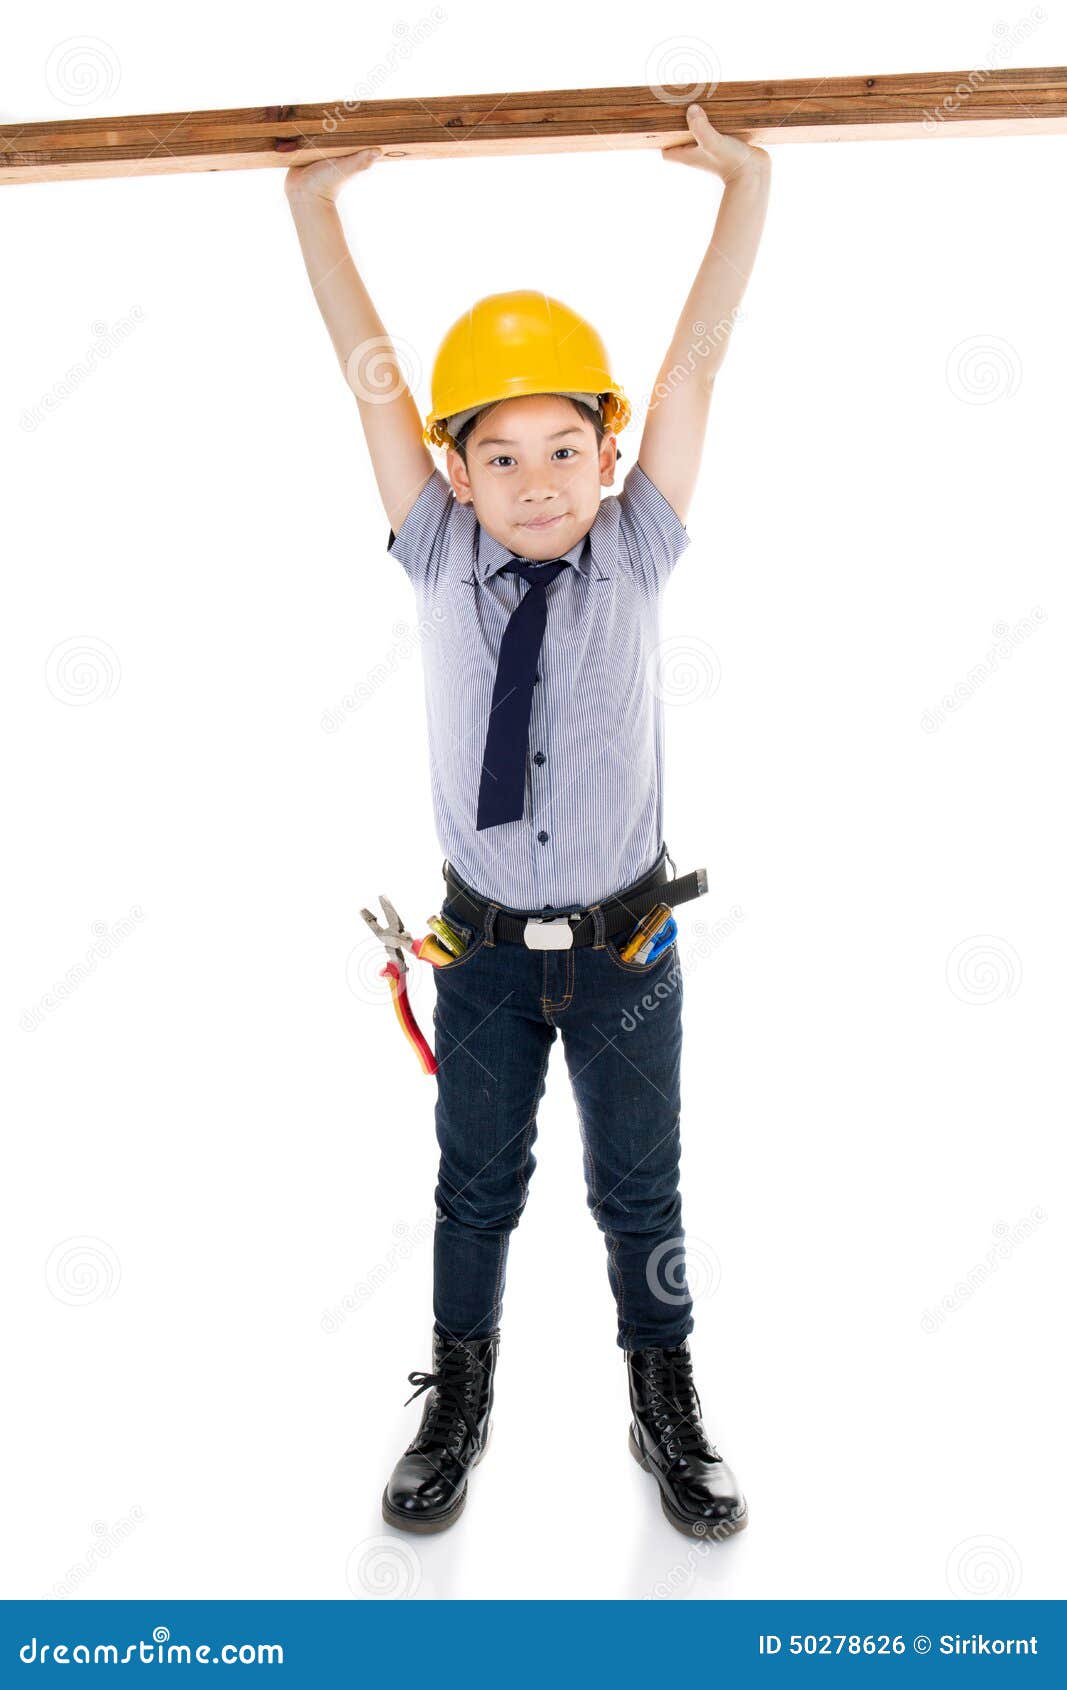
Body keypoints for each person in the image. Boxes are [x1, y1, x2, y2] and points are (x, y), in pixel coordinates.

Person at [285, 104, 772, 1539]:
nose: (539, 479)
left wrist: (746, 189)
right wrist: (316, 209)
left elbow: (699, 357)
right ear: (454, 474)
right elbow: (364, 377)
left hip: (626, 952)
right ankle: (458, 1388)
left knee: (642, 1188)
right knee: (473, 1184)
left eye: (568, 446)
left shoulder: (636, 545)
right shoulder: (438, 552)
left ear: (609, 455)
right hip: (486, 954)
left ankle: (664, 1386)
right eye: (501, 456)